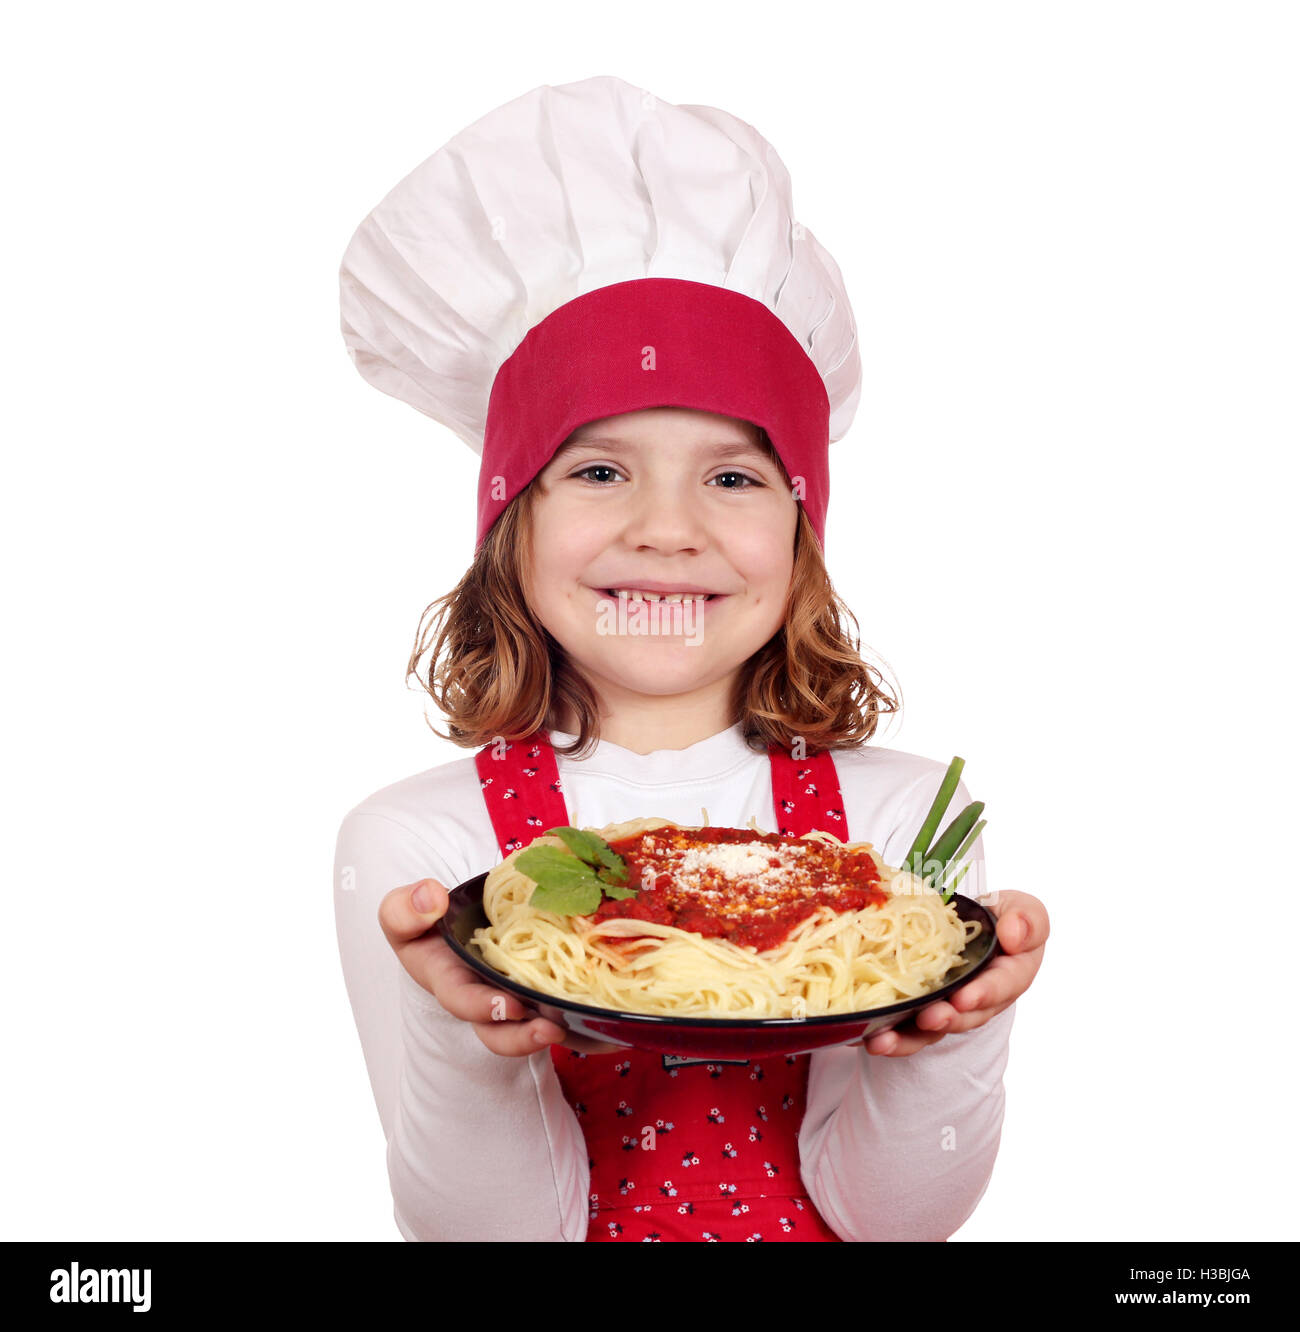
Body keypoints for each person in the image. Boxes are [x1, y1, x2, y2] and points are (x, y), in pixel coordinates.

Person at [333, 77, 1049, 1242]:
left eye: (731, 476)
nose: (668, 529)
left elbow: (891, 1224)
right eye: (600, 470)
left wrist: (950, 1036)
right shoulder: (419, 847)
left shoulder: (905, 826)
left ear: (800, 537)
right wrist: (459, 1037)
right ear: (509, 522)